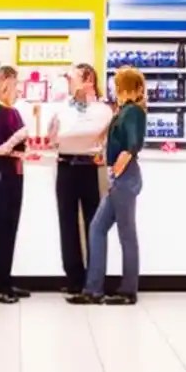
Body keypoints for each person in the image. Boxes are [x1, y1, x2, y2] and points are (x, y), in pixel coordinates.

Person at [67, 67, 148, 306]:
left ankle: (127, 291)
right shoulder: (124, 110)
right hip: (120, 177)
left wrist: (115, 171)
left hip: (125, 177)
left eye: (117, 84)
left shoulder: (133, 111)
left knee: (126, 235)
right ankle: (94, 289)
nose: (113, 88)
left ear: (126, 86)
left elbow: (131, 147)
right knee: (97, 228)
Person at [46, 63, 112, 294]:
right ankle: (74, 278)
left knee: (93, 224)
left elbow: (85, 132)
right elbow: (54, 137)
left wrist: (69, 132)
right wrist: (60, 133)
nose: (69, 82)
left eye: (73, 78)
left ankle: (93, 280)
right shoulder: (63, 106)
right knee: (67, 224)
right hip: (65, 166)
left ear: (88, 79)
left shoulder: (102, 109)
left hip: (88, 168)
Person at [0, 66, 30, 304]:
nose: (17, 89)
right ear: (4, 83)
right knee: (0, 228)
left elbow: (19, 147)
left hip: (15, 174)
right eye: (14, 84)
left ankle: (5, 280)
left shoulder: (15, 112)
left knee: (10, 229)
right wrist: (14, 142)